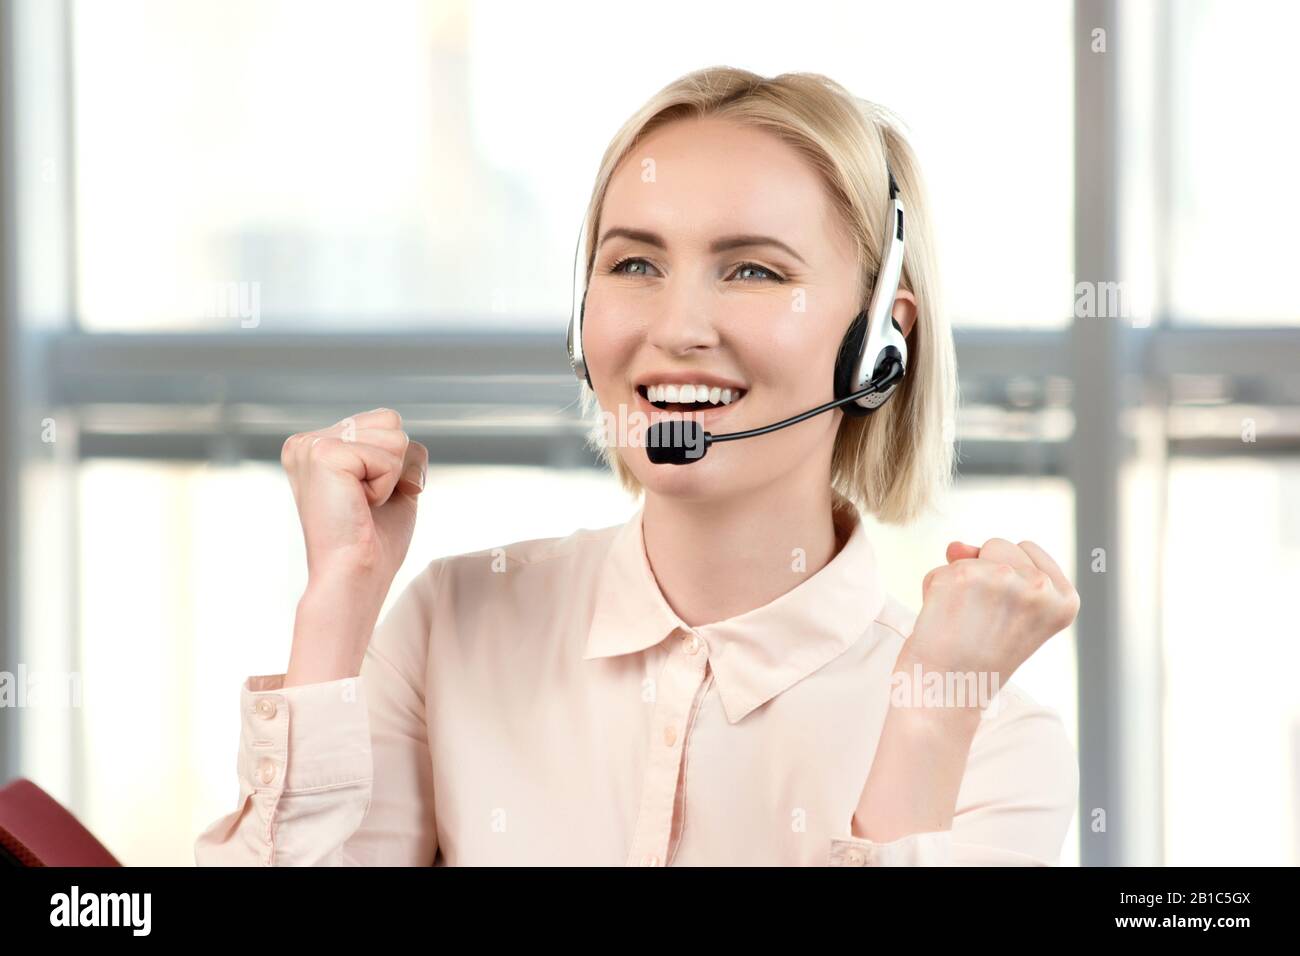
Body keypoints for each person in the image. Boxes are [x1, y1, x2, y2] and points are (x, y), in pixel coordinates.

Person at [194, 66, 1080, 867]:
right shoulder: (451, 628)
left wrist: (925, 721)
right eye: (635, 263)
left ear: (880, 343)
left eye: (754, 272)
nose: (677, 327)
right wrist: (335, 611)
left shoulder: (995, 739)